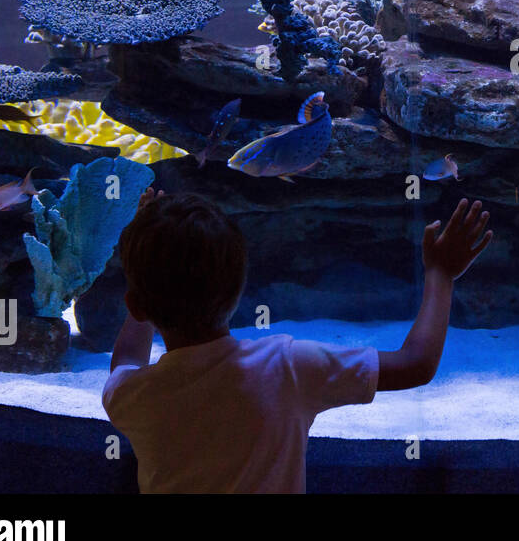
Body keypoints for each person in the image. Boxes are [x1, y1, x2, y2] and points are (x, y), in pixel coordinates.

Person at [102, 189, 492, 493]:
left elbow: (126, 359)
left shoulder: (132, 396)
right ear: (240, 290)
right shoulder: (286, 366)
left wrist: (146, 267)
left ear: (135, 304)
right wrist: (441, 274)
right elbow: (416, 363)